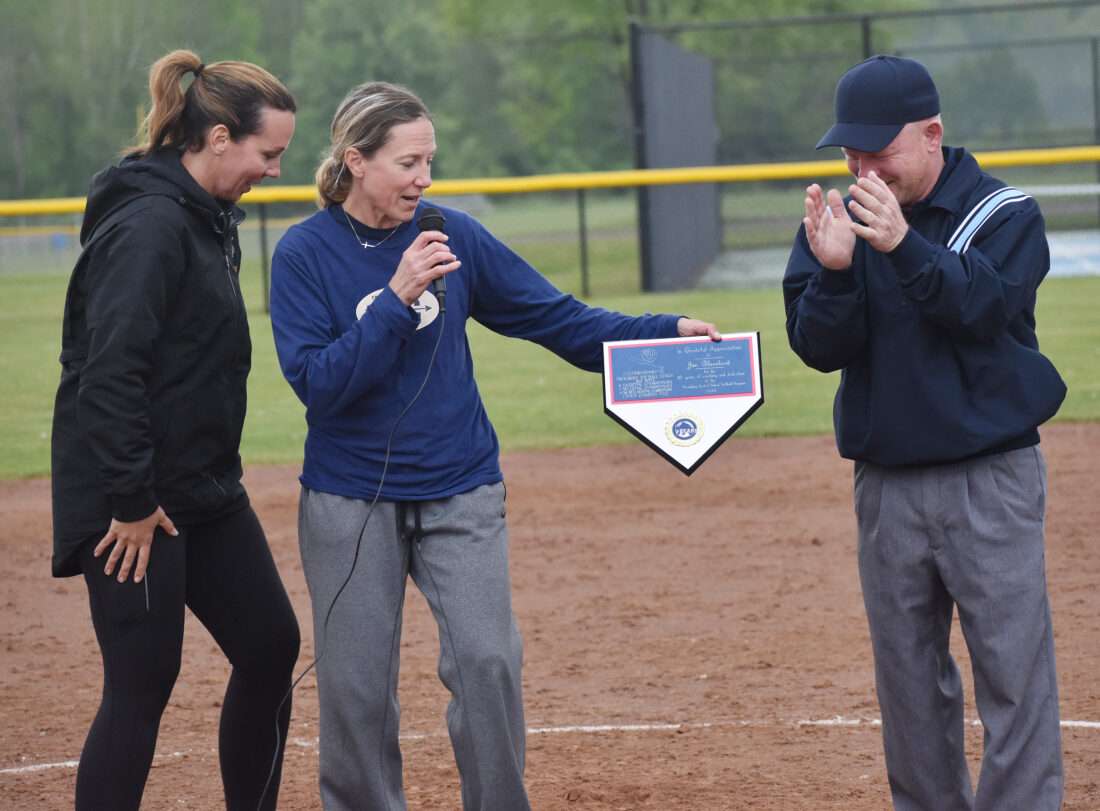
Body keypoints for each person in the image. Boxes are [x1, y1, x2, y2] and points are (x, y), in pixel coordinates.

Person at [268, 80, 722, 810]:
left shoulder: (456, 234)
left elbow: (559, 320)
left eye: (429, 161)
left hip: (460, 484)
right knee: (356, 685)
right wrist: (397, 296)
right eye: (408, 162)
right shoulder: (302, 254)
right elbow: (319, 385)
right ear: (356, 160)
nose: (424, 178)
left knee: (488, 660)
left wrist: (662, 331)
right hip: (350, 497)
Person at [783, 54, 1066, 810]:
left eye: (880, 150)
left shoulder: (1004, 213)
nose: (862, 166)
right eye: (850, 151)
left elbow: (979, 310)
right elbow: (816, 347)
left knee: (1013, 675)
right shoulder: (839, 220)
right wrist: (837, 272)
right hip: (887, 485)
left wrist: (901, 245)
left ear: (933, 133)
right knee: (908, 682)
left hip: (989, 480)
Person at [50, 49, 301, 810]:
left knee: (268, 645)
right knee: (140, 688)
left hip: (201, 487)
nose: (276, 170)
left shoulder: (206, 214)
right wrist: (128, 500)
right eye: (269, 153)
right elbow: (108, 371)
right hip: (132, 500)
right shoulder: (152, 224)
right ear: (218, 137)